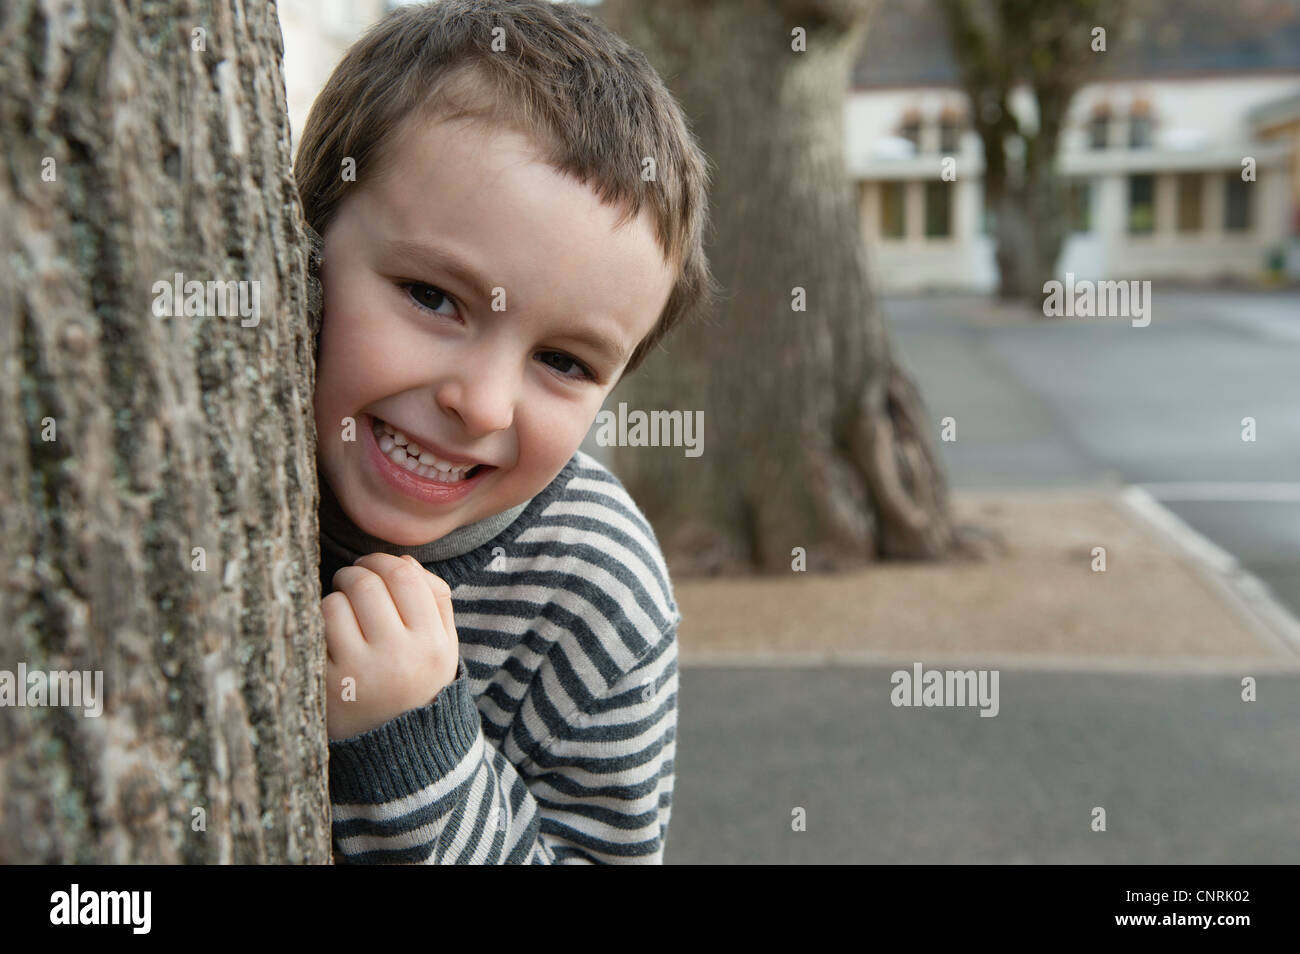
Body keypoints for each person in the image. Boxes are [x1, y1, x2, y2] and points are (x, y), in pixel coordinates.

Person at [293, 0, 718, 863]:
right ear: (301, 241)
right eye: (432, 297)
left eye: (563, 361)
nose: (483, 406)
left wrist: (412, 747)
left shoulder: (596, 595)